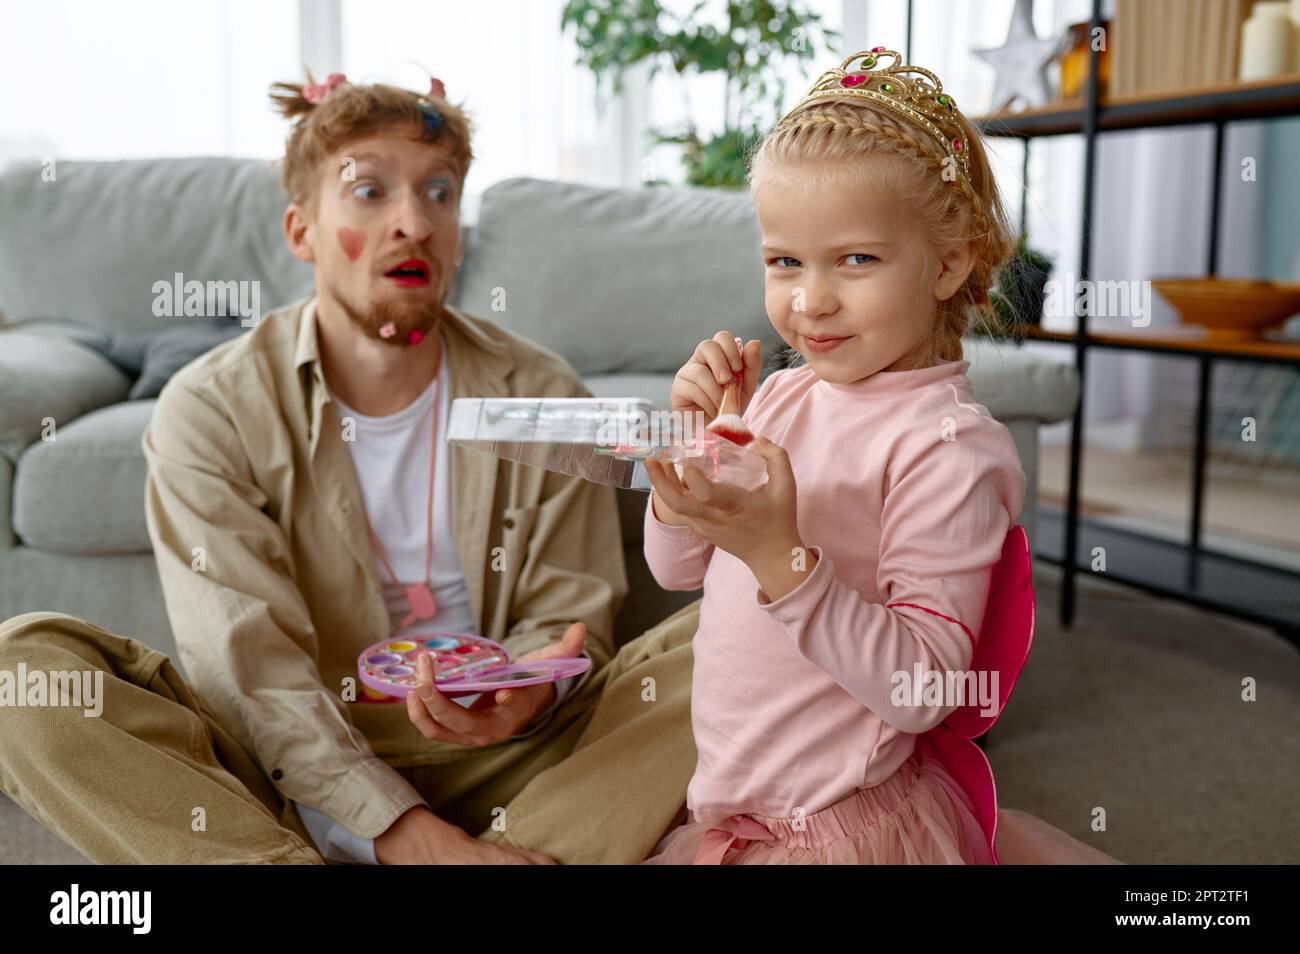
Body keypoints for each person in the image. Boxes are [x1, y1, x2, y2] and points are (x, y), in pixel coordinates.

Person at [0, 72, 697, 865]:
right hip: (289, 778)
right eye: (369, 191)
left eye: (439, 193)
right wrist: (405, 834)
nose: (414, 221)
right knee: (18, 674)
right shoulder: (210, 410)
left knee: (740, 625)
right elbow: (252, 675)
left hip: (519, 764)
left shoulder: (541, 392)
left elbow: (565, 619)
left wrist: (534, 688)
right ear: (302, 231)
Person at [639, 49, 1120, 865]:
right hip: (734, 810)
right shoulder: (782, 399)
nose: (810, 299)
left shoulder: (949, 448)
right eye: (784, 260)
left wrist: (778, 556)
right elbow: (673, 566)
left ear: (949, 262)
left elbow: (925, 689)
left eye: (856, 259)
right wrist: (692, 449)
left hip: (843, 829)